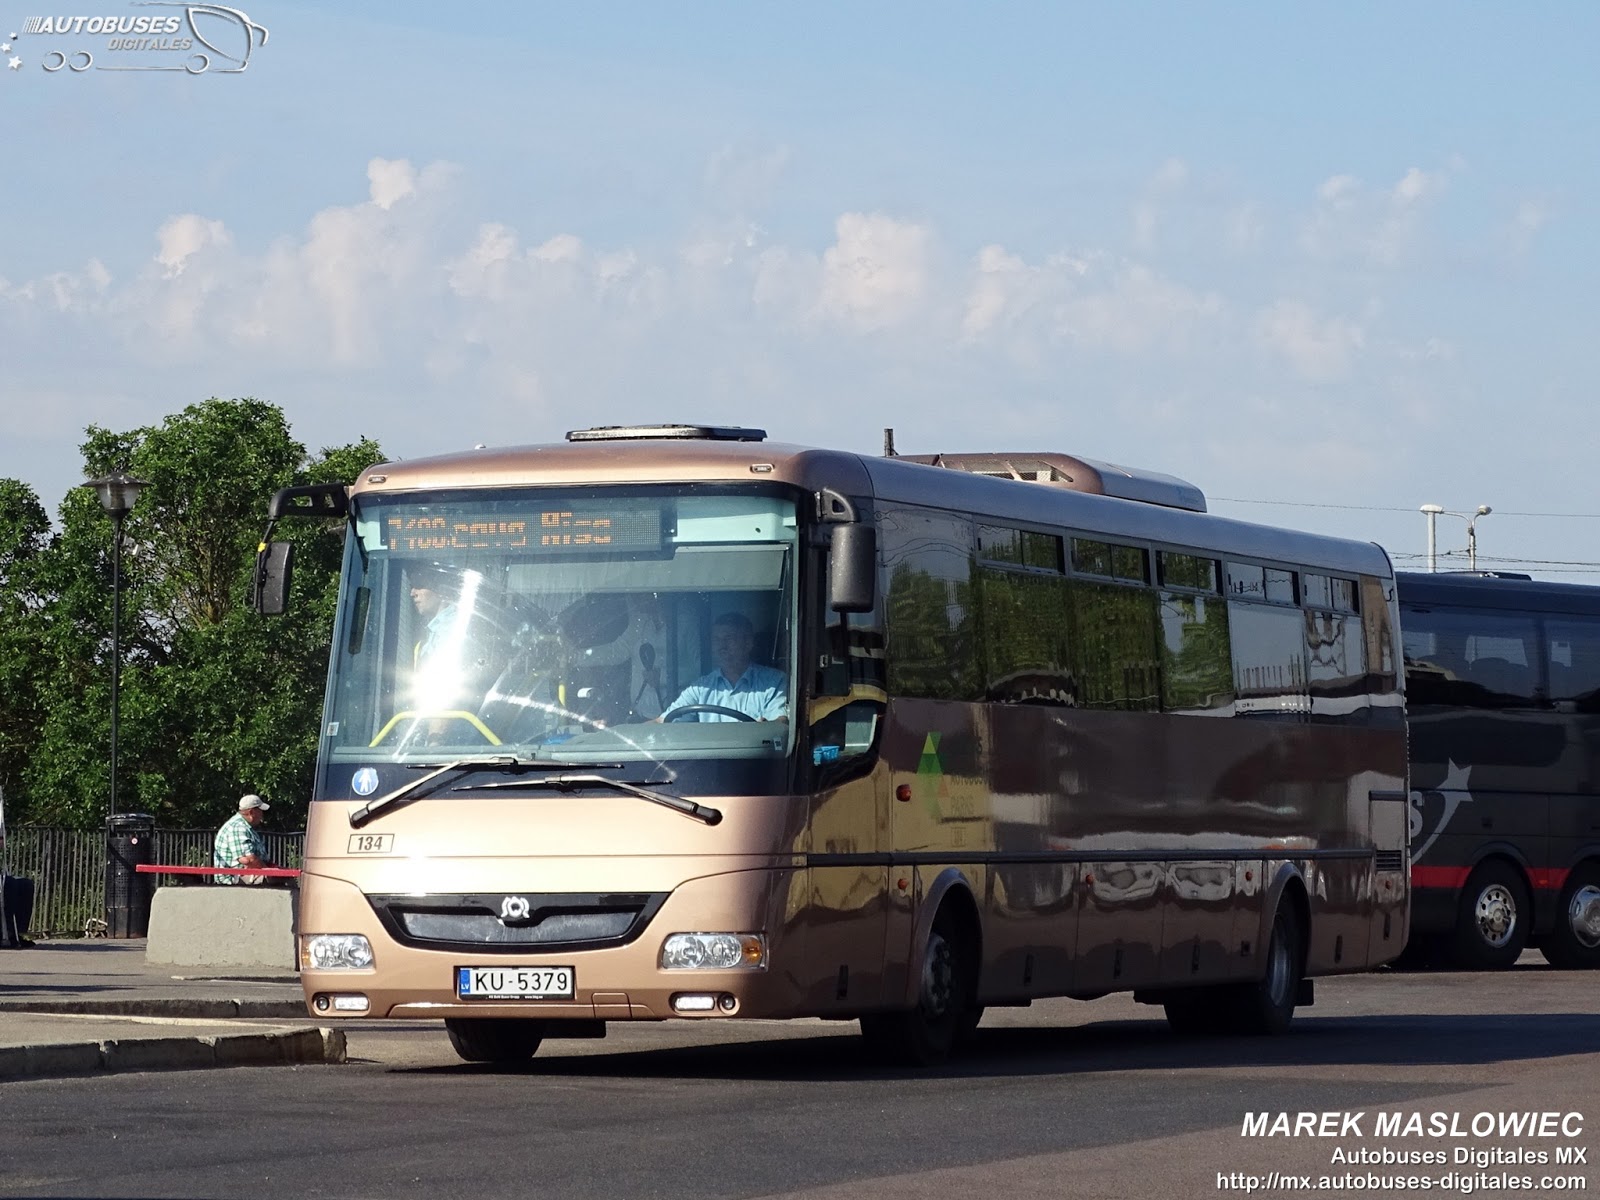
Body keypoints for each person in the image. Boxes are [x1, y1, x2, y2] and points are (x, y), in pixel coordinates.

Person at [661, 611, 787, 722]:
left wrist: (768, 727)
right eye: (716, 640)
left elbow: (780, 724)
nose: (722, 647)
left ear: (748, 643)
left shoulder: (774, 682)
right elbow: (664, 721)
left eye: (729, 638)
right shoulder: (700, 688)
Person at [213, 794, 273, 885]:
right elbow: (249, 860)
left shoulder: (246, 827)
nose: (262, 815)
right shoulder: (238, 827)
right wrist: (270, 871)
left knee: (283, 877)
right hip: (233, 879)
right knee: (280, 879)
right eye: (260, 811)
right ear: (251, 812)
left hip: (245, 876)